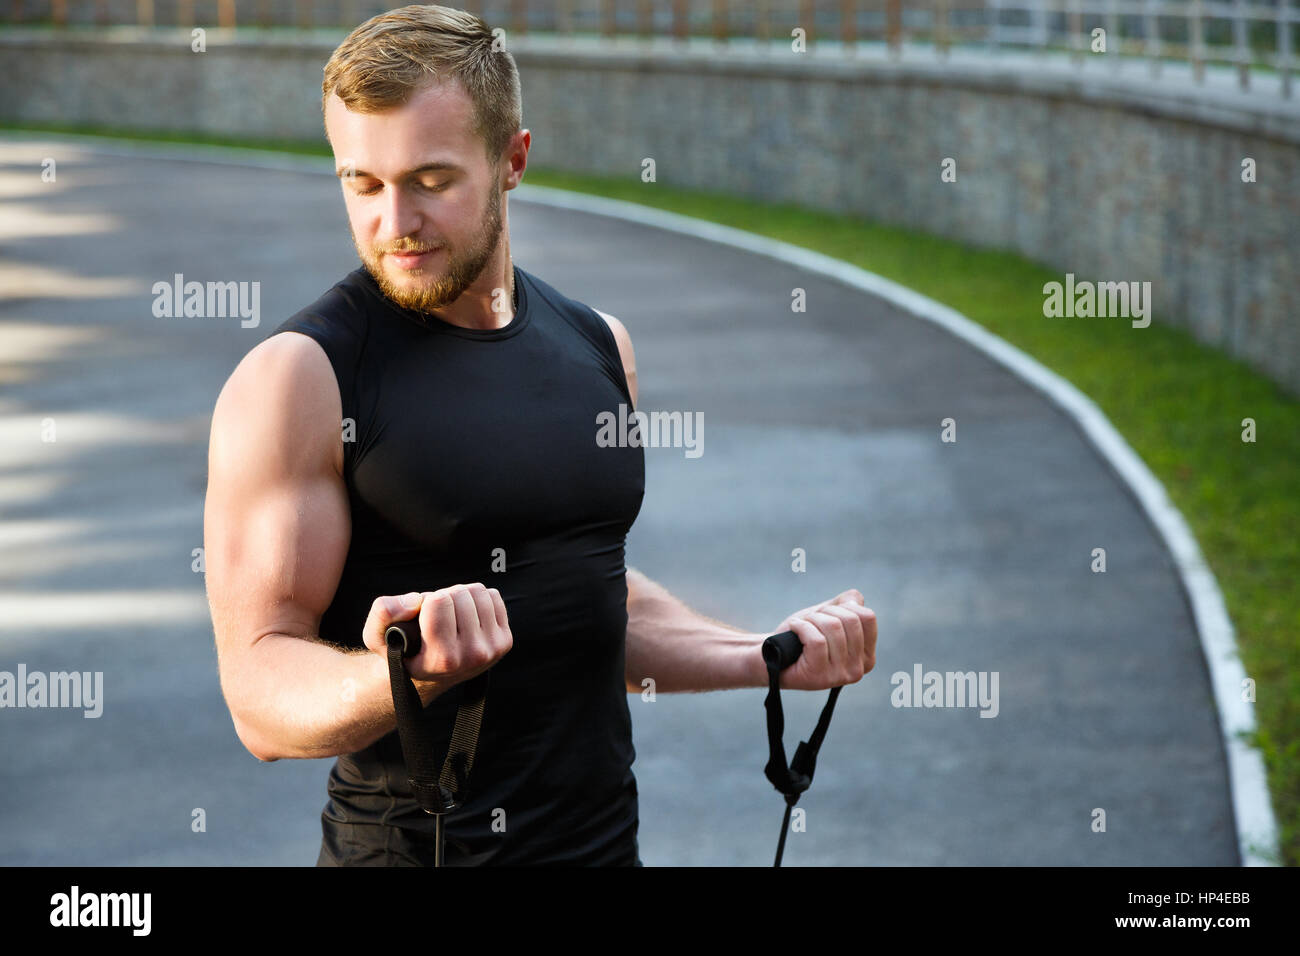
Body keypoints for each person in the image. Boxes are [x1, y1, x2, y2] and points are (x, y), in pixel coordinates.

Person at [202, 3, 877, 866]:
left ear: (512, 159)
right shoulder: (300, 379)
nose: (394, 221)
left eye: (431, 180)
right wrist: (406, 678)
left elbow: (588, 598)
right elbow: (257, 695)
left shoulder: (598, 346)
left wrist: (763, 655)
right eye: (362, 184)